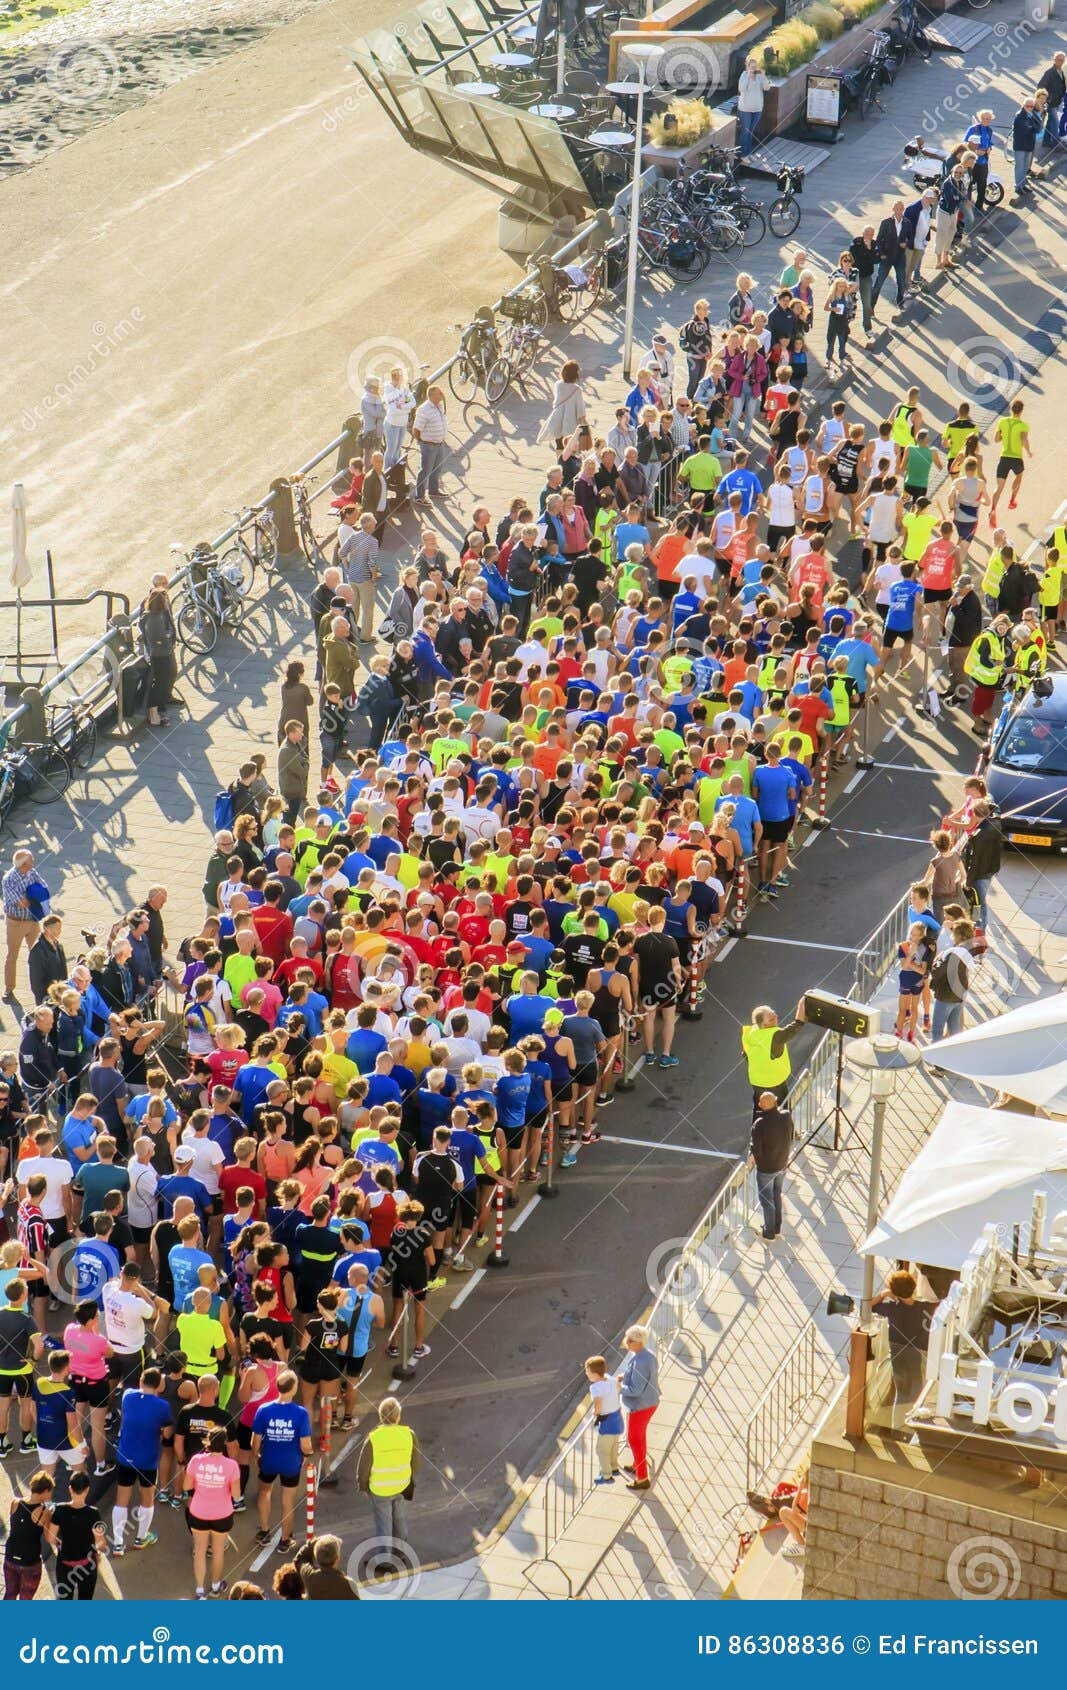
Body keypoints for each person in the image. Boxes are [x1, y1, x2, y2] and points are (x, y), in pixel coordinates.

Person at [252, 1368, 313, 1555]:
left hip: (268, 1460)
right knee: (287, 1500)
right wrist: (308, 1454)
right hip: (291, 1464)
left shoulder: (263, 1410)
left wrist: (257, 1455)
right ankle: (285, 1540)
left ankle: (264, 1532)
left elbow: (255, 1441)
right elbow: (305, 1445)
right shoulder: (301, 1413)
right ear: (293, 1389)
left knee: (264, 1493)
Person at [357, 1394, 419, 1569]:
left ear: (380, 1416)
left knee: (384, 1524)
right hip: (401, 1485)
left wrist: (363, 1486)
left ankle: (385, 1560)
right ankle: (400, 1552)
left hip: (380, 1488)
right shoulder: (409, 1434)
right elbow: (415, 1461)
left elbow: (364, 1466)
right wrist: (409, 1479)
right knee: (399, 1518)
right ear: (398, 1416)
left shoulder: (374, 1438)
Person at [183, 1424, 241, 1599]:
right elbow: (237, 1495)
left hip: (198, 1512)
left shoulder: (195, 1460)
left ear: (207, 1441)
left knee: (199, 1551)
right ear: (224, 1443)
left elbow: (187, 1486)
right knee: (217, 1551)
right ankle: (215, 1586)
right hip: (222, 1514)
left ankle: (200, 1590)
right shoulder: (231, 1465)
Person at [871, 1270, 932, 1405]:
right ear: (913, 1287)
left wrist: (883, 1294)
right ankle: (913, 1414)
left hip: (897, 1352)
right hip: (916, 1352)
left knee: (901, 1392)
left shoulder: (892, 1309)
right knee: (916, 1388)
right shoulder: (924, 1307)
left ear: (894, 1292)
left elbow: (870, 1306)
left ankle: (897, 1421)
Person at [52, 1469, 108, 1600]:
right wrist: (99, 1552)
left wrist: (59, 1543)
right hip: (87, 1566)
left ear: (70, 1489)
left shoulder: (59, 1509)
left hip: (64, 1564)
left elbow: (50, 1536)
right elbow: (101, 1544)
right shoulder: (94, 1513)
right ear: (87, 1490)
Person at [741, 999, 806, 1111]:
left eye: (774, 1013)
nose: (776, 1017)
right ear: (764, 1025)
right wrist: (802, 1004)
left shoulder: (749, 1034)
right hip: (775, 1084)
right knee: (782, 1111)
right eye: (772, 1019)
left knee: (760, 1110)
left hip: (757, 1083)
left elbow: (746, 1055)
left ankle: (758, 1127)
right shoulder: (775, 1036)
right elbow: (797, 1025)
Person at [617, 1325, 659, 1492]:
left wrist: (619, 1387)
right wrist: (625, 1377)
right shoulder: (648, 1356)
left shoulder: (640, 1361)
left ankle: (642, 1478)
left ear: (638, 1342)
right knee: (639, 1437)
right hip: (650, 1402)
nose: (626, 1343)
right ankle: (637, 1465)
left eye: (630, 1341)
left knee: (634, 1439)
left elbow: (635, 1390)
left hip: (640, 1406)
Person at [748, 1091, 793, 1241]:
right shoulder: (786, 1116)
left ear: (760, 1105)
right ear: (776, 1102)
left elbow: (757, 1149)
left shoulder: (759, 1124)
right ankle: (777, 1227)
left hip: (766, 1168)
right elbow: (790, 1136)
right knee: (776, 1195)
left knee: (767, 1200)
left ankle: (769, 1231)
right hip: (782, 1164)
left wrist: (756, 1160)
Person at [3, 1469, 54, 1601]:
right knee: (26, 1598)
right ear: (46, 1490)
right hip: (30, 1561)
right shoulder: (44, 1512)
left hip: (10, 1556)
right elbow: (49, 1537)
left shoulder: (15, 1503)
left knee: (10, 1593)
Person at [3, 848, 41, 1001]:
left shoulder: (32, 872)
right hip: (16, 923)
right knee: (13, 956)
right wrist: (33, 895)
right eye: (31, 860)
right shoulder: (9, 879)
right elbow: (21, 903)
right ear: (23, 864)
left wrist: (31, 896)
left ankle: (40, 985)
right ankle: (9, 988)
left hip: (32, 920)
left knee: (38, 953)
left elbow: (43, 888)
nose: (33, 863)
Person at [139, 587, 178, 729]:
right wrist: (168, 636)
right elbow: (160, 637)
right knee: (161, 682)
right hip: (160, 654)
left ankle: (158, 709)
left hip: (163, 652)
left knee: (166, 679)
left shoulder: (160, 614)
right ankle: (153, 714)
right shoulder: (155, 618)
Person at [585, 1354, 624, 1485]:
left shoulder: (595, 1387)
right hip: (617, 1417)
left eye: (588, 1371)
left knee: (602, 1450)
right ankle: (614, 1468)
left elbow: (598, 1405)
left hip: (607, 1422)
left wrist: (595, 1413)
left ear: (595, 1374)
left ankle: (606, 1476)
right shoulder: (610, 1379)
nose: (587, 1373)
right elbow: (619, 1387)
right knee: (613, 1446)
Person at [736, 56, 768, 157]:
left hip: (757, 108)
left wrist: (764, 76)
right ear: (747, 66)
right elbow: (741, 89)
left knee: (751, 131)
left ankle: (748, 152)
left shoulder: (759, 76)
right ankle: (743, 154)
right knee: (746, 131)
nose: (753, 69)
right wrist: (748, 77)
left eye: (755, 67)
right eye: (751, 67)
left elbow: (767, 88)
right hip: (745, 109)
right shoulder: (744, 75)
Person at [1012, 96, 1043, 192]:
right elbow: (1026, 129)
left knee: (1025, 166)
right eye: (1028, 106)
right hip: (1020, 145)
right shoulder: (1019, 116)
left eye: (1032, 106)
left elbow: (1038, 128)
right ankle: (1018, 186)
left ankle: (1023, 184)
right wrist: (1033, 126)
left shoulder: (1032, 115)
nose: (1030, 108)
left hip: (1029, 144)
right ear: (1023, 105)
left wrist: (1034, 123)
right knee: (1019, 166)